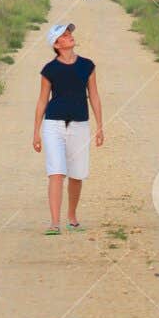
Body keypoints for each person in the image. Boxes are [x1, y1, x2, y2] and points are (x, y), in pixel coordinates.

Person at [32, 20, 103, 234]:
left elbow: (95, 96)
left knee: (76, 174)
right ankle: (55, 222)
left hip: (80, 125)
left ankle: (72, 217)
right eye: (64, 35)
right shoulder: (49, 70)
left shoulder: (87, 66)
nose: (69, 36)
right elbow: (42, 101)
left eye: (69, 32)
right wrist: (36, 132)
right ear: (56, 44)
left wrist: (100, 126)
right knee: (56, 172)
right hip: (53, 124)